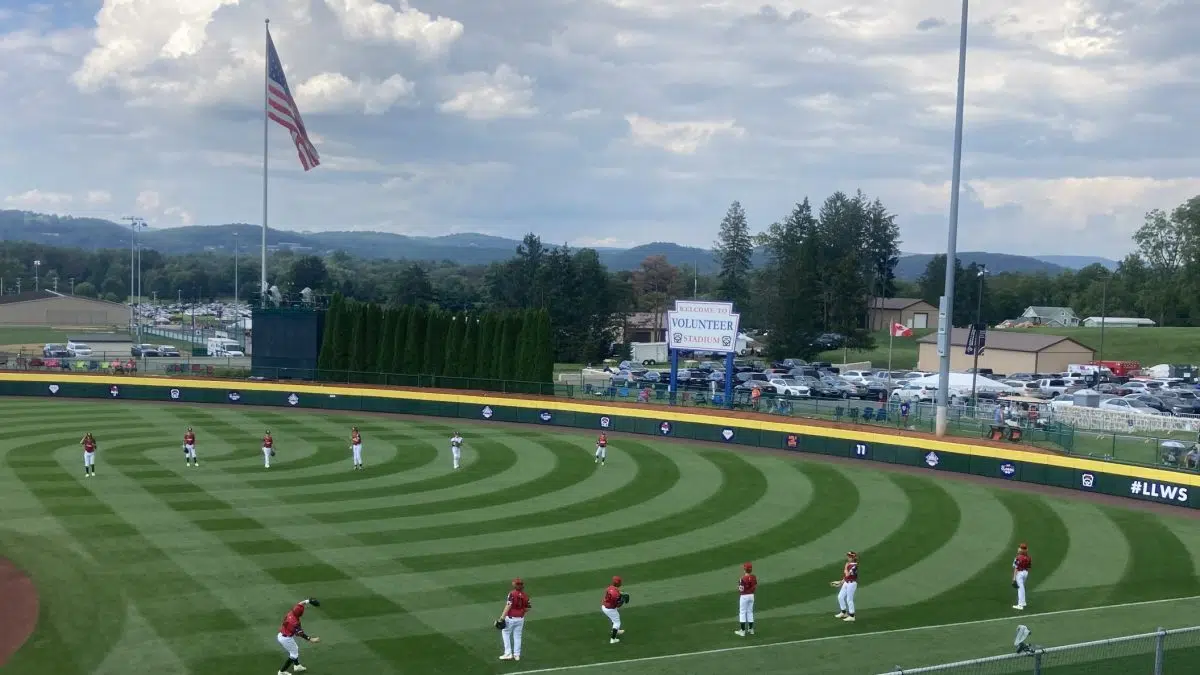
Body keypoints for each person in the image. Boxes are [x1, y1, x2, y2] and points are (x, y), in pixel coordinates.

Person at [276, 598, 320, 674]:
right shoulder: (294, 622)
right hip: (286, 639)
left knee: (294, 649)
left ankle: (297, 666)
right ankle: (282, 672)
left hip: (282, 635)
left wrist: (308, 601)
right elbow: (300, 633)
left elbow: (300, 603)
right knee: (294, 654)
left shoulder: (291, 612)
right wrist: (310, 639)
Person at [498, 578, 531, 661]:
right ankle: (517, 655)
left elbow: (508, 605)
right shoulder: (526, 595)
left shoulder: (512, 594)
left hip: (510, 618)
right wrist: (521, 611)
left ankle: (508, 653)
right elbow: (528, 608)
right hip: (520, 619)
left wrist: (502, 618)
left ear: (516, 585)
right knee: (517, 636)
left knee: (505, 633)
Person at [832, 551, 858, 622]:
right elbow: (846, 577)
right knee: (840, 597)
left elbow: (847, 575)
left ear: (853, 558)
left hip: (852, 584)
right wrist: (840, 582)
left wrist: (846, 567)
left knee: (849, 599)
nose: (848, 557)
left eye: (849, 556)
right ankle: (844, 613)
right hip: (847, 582)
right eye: (848, 556)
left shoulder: (854, 566)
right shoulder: (849, 564)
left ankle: (852, 616)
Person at [601, 576, 626, 644]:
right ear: (619, 583)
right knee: (617, 623)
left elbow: (615, 593)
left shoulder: (610, 587)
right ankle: (613, 639)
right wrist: (622, 600)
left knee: (613, 619)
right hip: (610, 609)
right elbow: (617, 605)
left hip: (604, 606)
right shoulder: (616, 595)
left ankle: (616, 630)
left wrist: (620, 595)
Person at [735, 562, 756, 637]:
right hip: (752, 596)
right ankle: (751, 629)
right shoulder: (754, 577)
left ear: (744, 569)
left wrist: (739, 587)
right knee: (750, 611)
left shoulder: (742, 579)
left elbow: (741, 589)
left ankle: (742, 631)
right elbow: (755, 586)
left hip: (744, 596)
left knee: (742, 612)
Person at [1012, 543, 1032, 610]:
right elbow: (1029, 567)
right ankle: (1023, 602)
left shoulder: (1018, 557)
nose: (1018, 549)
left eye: (1020, 548)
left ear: (1021, 550)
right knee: (1022, 588)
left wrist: (1014, 579)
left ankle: (1020, 605)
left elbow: (1016, 568)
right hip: (1026, 573)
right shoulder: (1029, 557)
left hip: (1019, 573)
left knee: (1020, 588)